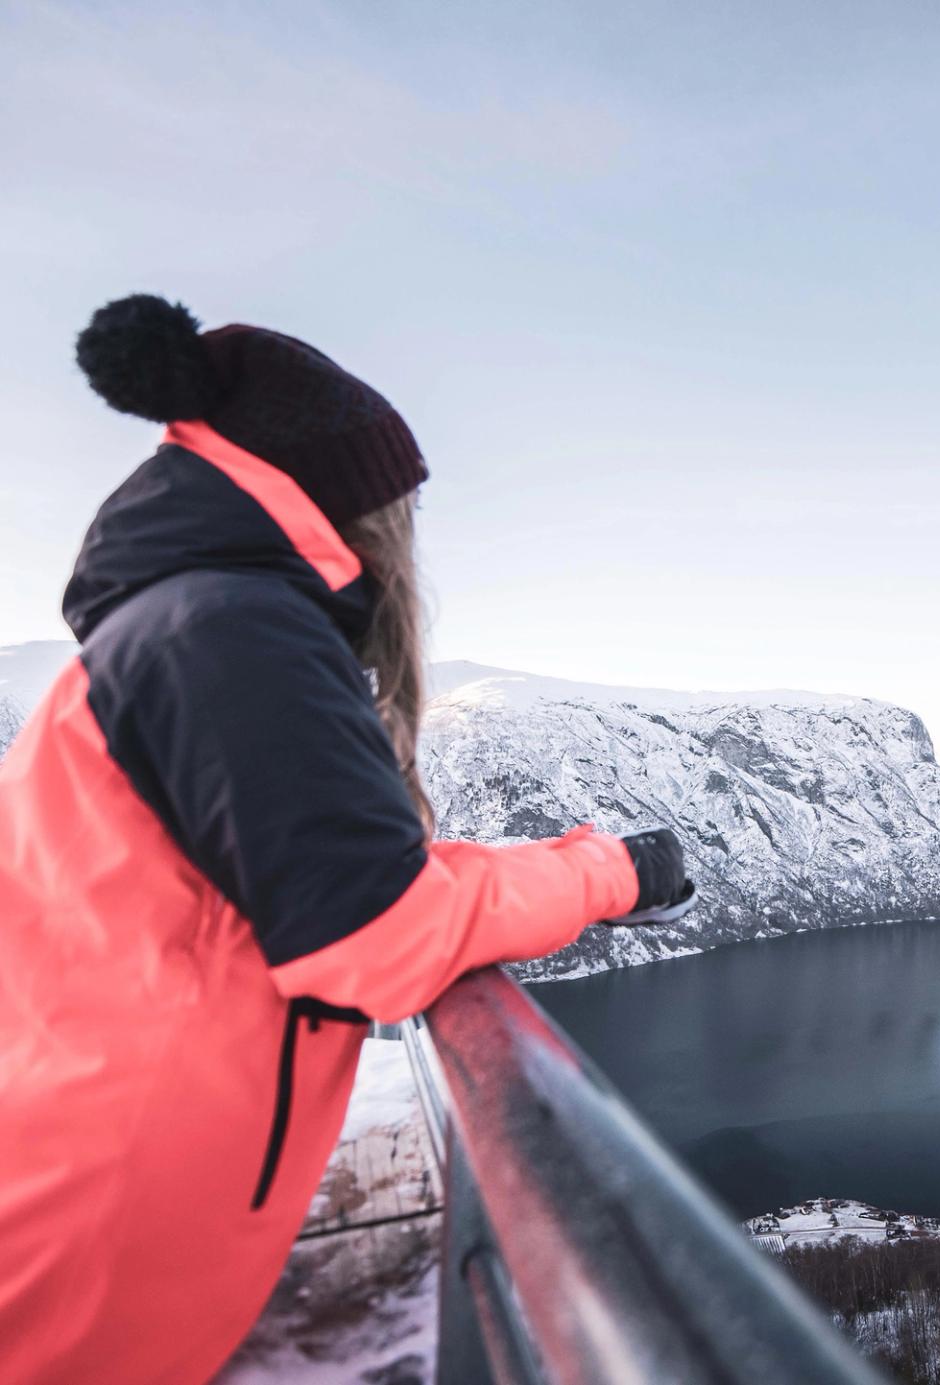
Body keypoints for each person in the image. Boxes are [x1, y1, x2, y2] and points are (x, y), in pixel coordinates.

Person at [0, 295, 692, 1382]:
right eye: (399, 505)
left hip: (71, 1182)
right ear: (348, 503)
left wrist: (589, 871)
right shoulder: (231, 629)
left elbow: (346, 885)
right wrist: (607, 872)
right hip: (89, 1239)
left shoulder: (170, 625)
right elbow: (377, 935)